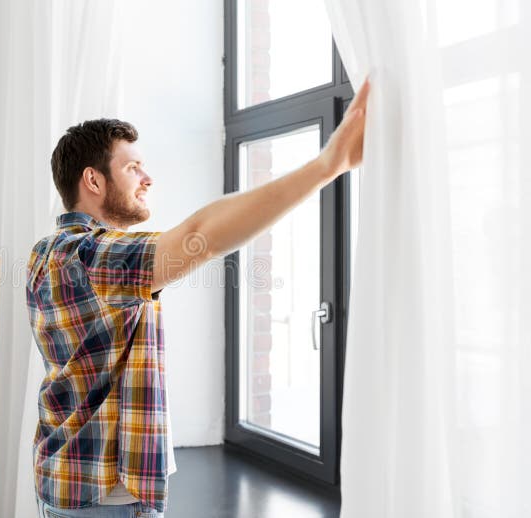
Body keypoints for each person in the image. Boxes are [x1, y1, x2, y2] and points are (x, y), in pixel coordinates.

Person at [27, 78, 371, 518]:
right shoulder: (92, 256)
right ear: (92, 180)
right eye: (133, 168)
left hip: (66, 482)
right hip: (105, 500)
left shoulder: (46, 251)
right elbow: (199, 237)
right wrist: (328, 164)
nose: (148, 179)